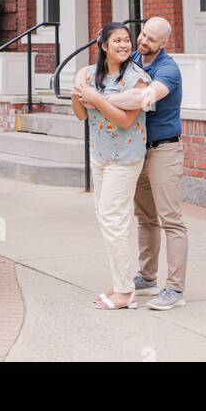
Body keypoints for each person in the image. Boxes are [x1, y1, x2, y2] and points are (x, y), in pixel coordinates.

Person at [70, 22, 151, 310]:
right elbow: (81, 114)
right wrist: (78, 95)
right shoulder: (91, 75)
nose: (124, 45)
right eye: (117, 40)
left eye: (127, 40)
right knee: (108, 220)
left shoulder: (137, 78)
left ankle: (125, 291)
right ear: (104, 46)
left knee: (113, 220)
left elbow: (126, 120)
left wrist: (94, 98)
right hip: (100, 155)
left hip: (125, 157)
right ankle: (121, 282)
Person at [109, 16, 188, 311]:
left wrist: (104, 99)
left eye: (151, 39)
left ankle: (175, 289)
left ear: (164, 43)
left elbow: (145, 98)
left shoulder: (168, 70)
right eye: (142, 34)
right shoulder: (132, 60)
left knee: (171, 220)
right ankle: (146, 276)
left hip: (164, 149)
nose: (142, 41)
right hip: (137, 149)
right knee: (145, 216)